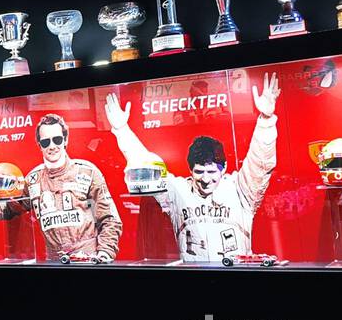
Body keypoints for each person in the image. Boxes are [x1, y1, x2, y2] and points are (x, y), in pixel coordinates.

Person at [105, 72, 279, 263]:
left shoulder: (241, 190)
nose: (205, 179)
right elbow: (145, 163)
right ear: (190, 170)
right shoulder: (178, 192)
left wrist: (266, 120)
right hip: (191, 275)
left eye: (212, 171)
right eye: (199, 172)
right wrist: (122, 131)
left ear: (224, 168)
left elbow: (259, 162)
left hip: (236, 275)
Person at [0, 113, 122, 262]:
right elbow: (10, 208)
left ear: (65, 140)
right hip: (54, 263)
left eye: (57, 140)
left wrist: (105, 253)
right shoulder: (32, 180)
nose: (52, 146)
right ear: (39, 144)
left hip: (89, 260)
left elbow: (110, 219)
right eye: (46, 142)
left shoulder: (88, 172)